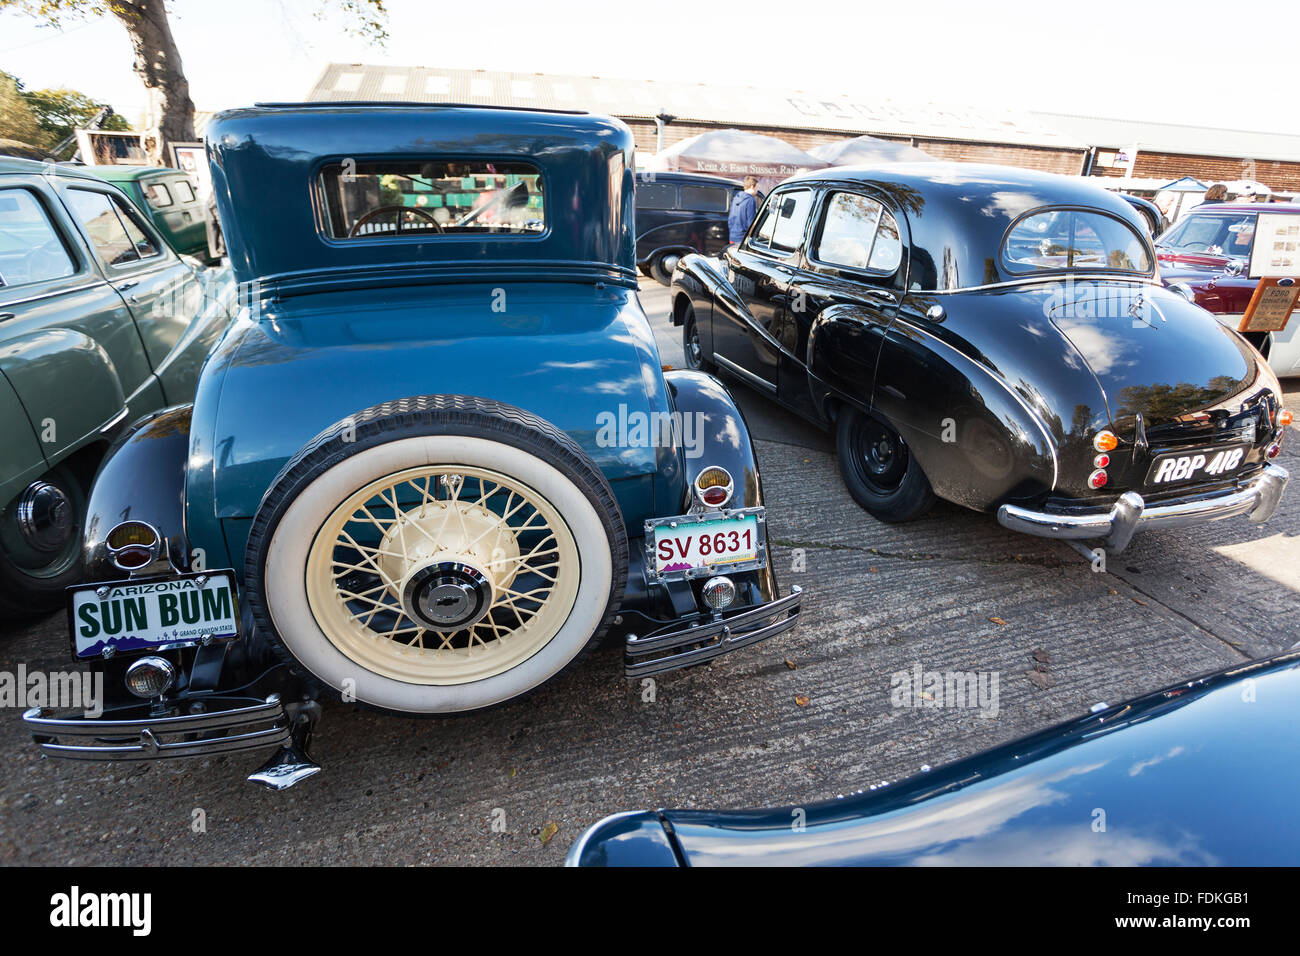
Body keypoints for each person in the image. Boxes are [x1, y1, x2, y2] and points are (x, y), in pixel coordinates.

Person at [728, 176, 760, 243]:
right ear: (752, 186)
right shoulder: (750, 200)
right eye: (757, 187)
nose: (757, 190)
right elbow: (751, 222)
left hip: (733, 235)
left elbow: (730, 218)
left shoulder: (737, 197)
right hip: (742, 238)